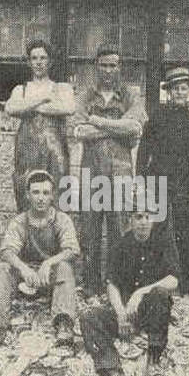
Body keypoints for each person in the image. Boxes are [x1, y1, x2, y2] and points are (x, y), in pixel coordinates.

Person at [79, 205, 180, 376]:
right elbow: (112, 284)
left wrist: (141, 292)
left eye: (147, 217)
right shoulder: (121, 245)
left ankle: (154, 359)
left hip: (151, 312)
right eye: (138, 217)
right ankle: (116, 374)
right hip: (125, 312)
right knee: (88, 317)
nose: (143, 222)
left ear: (153, 220)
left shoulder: (162, 243)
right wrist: (120, 314)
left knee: (160, 294)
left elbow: (173, 280)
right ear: (130, 221)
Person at [70, 48, 147, 296]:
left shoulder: (130, 95)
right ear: (96, 66)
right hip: (91, 172)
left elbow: (135, 127)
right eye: (103, 65)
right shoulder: (85, 95)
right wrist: (118, 128)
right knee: (90, 232)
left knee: (120, 231)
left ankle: (119, 287)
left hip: (122, 173)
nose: (108, 70)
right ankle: (91, 288)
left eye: (113, 65)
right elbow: (78, 132)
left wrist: (99, 122)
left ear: (119, 67)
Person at [0, 170, 80, 348]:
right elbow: (6, 251)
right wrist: (23, 269)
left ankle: (63, 323)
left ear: (52, 196)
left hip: (50, 280)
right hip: (25, 281)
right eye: (35, 192)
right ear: (27, 195)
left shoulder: (61, 219)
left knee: (65, 267)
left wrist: (49, 263)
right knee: (2, 268)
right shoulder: (20, 221)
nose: (40, 198)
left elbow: (72, 250)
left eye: (45, 193)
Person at [137, 66, 189, 296]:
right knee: (158, 233)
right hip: (159, 184)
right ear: (169, 91)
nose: (179, 92)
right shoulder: (157, 117)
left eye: (184, 88)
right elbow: (143, 151)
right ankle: (157, 288)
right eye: (175, 88)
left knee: (186, 237)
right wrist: (141, 181)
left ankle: (186, 289)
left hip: (185, 187)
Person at [4, 40, 75, 211]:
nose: (38, 62)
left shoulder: (62, 88)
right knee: (26, 197)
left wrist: (29, 106)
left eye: (43, 58)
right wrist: (43, 99)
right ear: (28, 62)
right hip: (27, 152)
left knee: (57, 199)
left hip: (55, 153)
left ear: (50, 61)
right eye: (34, 58)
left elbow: (68, 107)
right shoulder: (20, 89)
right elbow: (11, 108)